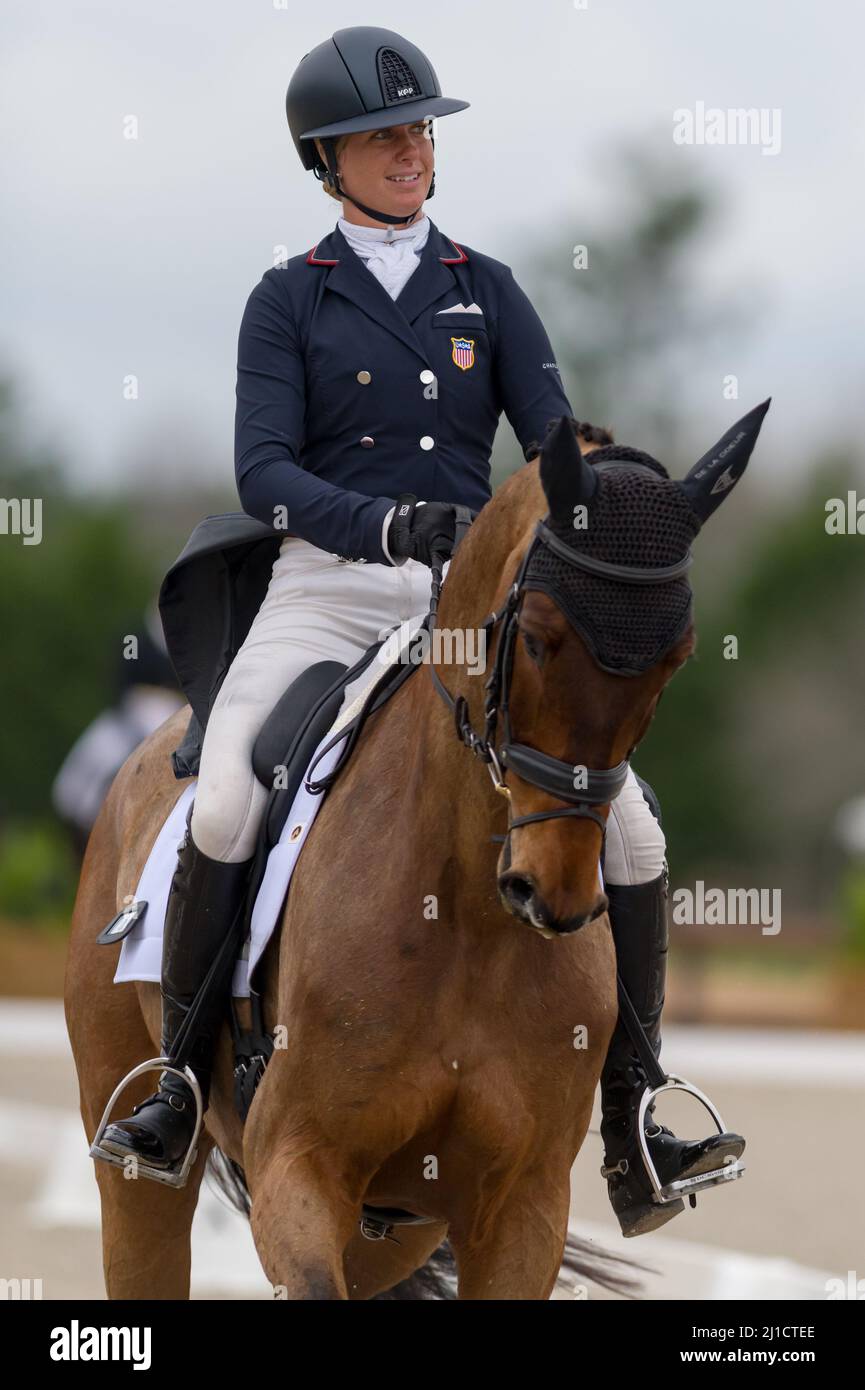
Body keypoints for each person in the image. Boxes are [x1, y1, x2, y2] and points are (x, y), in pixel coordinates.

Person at [95, 25, 744, 1236]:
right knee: (227, 796)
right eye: (386, 135)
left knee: (638, 836)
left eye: (420, 131)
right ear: (327, 157)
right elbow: (265, 471)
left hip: (462, 614)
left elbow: (558, 440)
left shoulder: (483, 288)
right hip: (326, 591)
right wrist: (386, 524)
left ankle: (634, 1115)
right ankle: (180, 1080)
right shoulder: (288, 298)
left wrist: (619, 501)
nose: (410, 149)